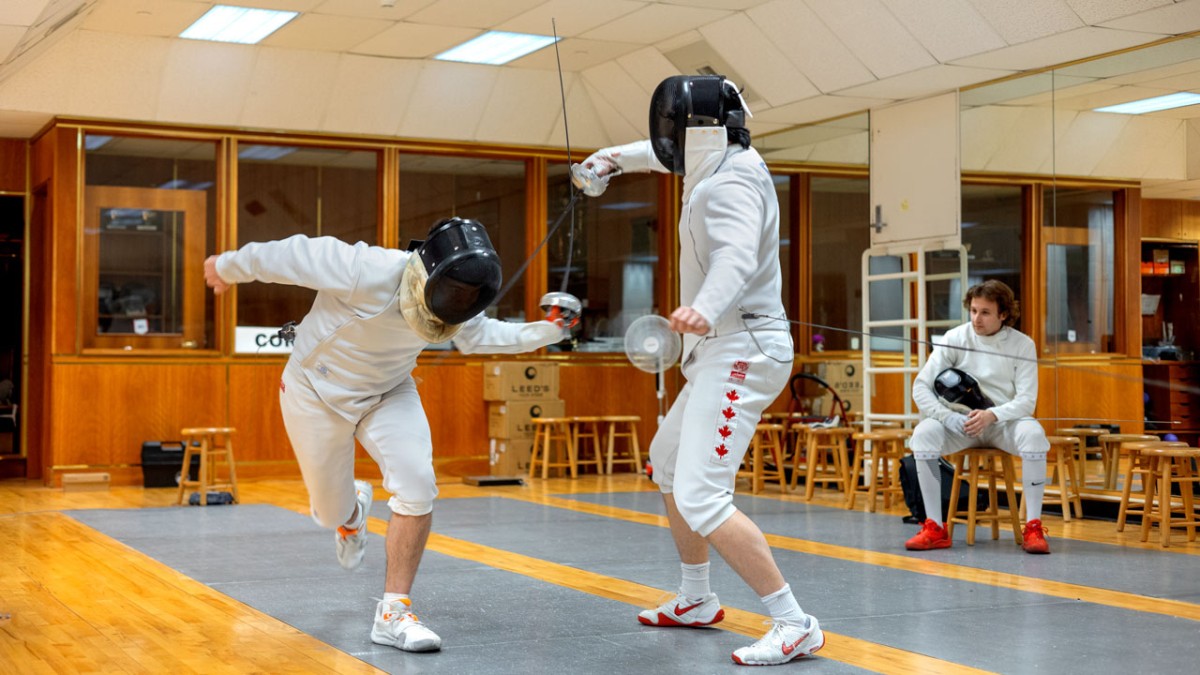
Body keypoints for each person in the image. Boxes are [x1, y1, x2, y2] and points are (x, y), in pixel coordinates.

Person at [203, 217, 566, 652]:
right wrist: (227, 267)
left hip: (389, 390)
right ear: (429, 271)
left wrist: (552, 330)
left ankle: (394, 612)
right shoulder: (365, 268)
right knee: (328, 510)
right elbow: (288, 255)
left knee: (418, 485)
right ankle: (351, 517)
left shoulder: (457, 300)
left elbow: (482, 334)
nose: (459, 300)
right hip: (313, 392)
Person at [577, 74, 823, 667]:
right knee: (667, 465)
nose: (667, 141)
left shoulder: (732, 182)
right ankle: (696, 599)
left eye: (674, 128)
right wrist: (610, 159)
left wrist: (705, 306)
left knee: (702, 493)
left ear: (702, 129)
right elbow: (664, 158)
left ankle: (795, 624)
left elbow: (737, 254)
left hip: (744, 347)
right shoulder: (716, 164)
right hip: (720, 347)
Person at [905, 279, 1051, 554]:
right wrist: (948, 418)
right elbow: (920, 387)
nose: (976, 318)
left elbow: (1027, 401)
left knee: (1033, 434)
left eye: (985, 312)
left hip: (1002, 424)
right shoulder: (954, 338)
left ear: (1003, 314)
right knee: (924, 433)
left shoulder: (1022, 345)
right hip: (960, 425)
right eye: (973, 310)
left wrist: (992, 415)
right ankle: (935, 527)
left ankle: (1033, 528)